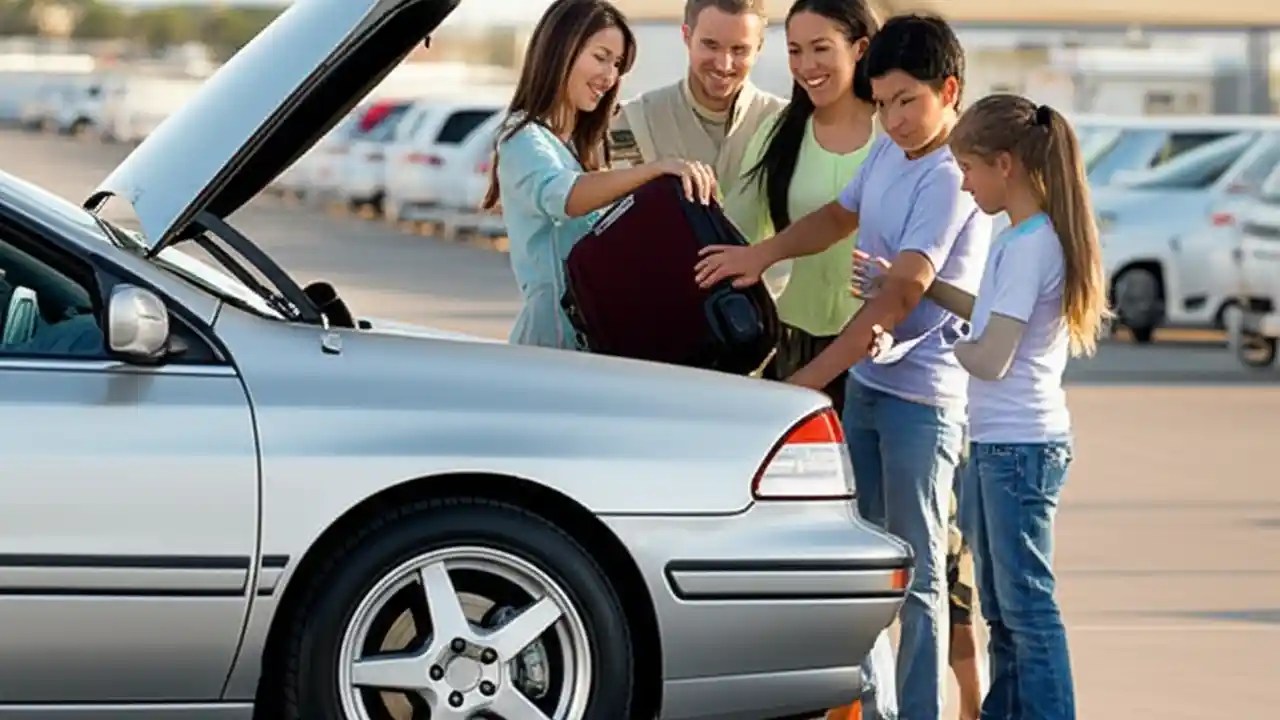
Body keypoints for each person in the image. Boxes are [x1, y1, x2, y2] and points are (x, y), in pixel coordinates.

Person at [694, 14, 991, 720]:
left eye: (906, 103)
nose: (891, 120)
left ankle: (918, 712)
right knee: (857, 570)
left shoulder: (948, 178)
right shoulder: (890, 153)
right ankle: (871, 709)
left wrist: (806, 381)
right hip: (870, 390)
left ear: (948, 90)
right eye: (882, 102)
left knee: (916, 577)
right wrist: (758, 255)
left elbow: (902, 293)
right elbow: (836, 216)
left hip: (922, 405)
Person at [856, 93, 1106, 720]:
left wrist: (938, 339)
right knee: (1000, 604)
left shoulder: (1030, 247)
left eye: (967, 169)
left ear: (1005, 165)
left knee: (1026, 608)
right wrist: (907, 286)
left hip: (1019, 451)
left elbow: (991, 355)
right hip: (1000, 444)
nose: (962, 184)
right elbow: (988, 316)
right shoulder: (1019, 237)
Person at [482, 0, 718, 351]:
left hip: (594, 342)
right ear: (561, 49)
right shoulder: (523, 138)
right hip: (550, 346)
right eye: (601, 56)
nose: (610, 77)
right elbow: (565, 197)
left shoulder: (579, 149)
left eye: (618, 64)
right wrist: (655, 168)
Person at [721, 0, 878, 413]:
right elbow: (739, 236)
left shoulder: (894, 136)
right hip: (795, 347)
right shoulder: (779, 131)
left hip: (881, 348)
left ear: (859, 48)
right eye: (795, 50)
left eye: (821, 48)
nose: (807, 64)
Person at [608, 0, 786, 197]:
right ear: (687, 36)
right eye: (711, 45)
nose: (724, 65)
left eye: (739, 50)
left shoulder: (786, 122)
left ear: (759, 48)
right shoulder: (634, 120)